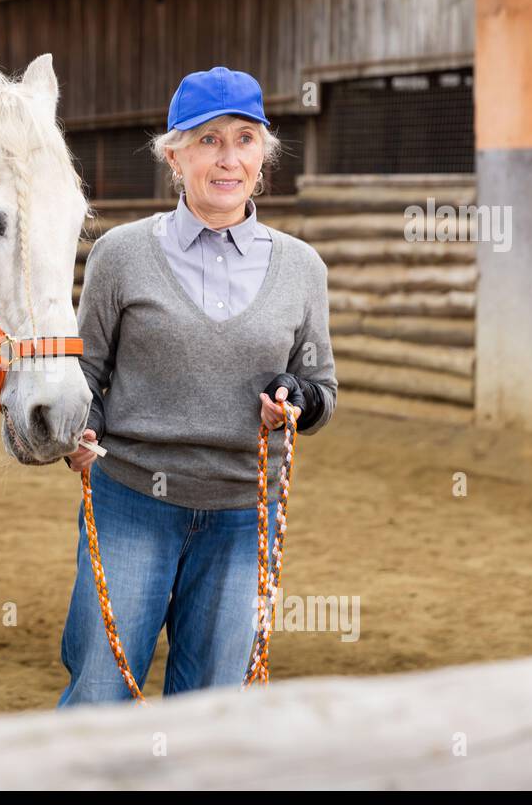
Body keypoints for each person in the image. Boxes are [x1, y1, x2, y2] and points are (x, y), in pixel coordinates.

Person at [57, 66, 338, 706]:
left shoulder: (301, 268)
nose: (227, 158)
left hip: (244, 516)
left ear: (263, 155)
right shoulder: (120, 255)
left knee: (215, 711)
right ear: (174, 155)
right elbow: (87, 373)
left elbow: (322, 390)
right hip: (131, 501)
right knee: (100, 694)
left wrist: (295, 398)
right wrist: (82, 425)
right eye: (207, 140)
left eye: (243, 139)